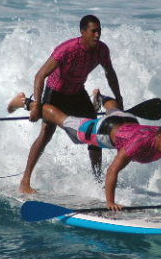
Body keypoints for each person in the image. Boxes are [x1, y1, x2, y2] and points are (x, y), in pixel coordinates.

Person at [7, 91, 161, 211]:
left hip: (128, 120)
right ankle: (26, 102)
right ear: (160, 137)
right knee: (64, 120)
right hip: (104, 131)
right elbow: (112, 170)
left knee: (115, 110)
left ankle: (100, 97)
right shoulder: (138, 143)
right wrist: (110, 202)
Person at [8, 15, 123, 194]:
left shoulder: (102, 50)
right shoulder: (67, 49)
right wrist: (38, 105)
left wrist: (119, 98)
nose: (97, 35)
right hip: (55, 92)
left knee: (95, 133)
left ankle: (99, 181)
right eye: (93, 31)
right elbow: (40, 76)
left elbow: (110, 73)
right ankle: (25, 182)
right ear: (82, 32)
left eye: (99, 31)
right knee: (46, 133)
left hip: (77, 92)